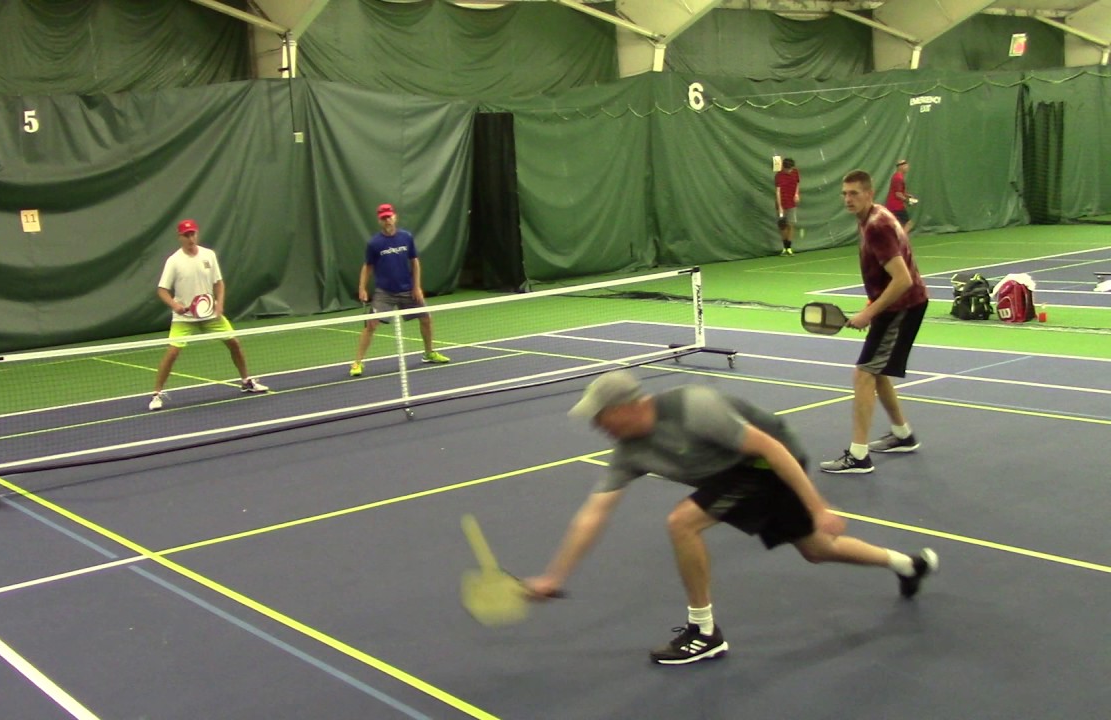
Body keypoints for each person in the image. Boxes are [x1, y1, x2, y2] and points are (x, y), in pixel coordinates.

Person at [522, 370, 939, 666]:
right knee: (817, 549)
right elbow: (594, 513)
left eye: (601, 415)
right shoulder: (630, 450)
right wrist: (554, 577)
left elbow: (772, 450)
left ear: (628, 406)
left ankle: (703, 633)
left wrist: (817, 506)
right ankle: (908, 564)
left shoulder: (693, 408)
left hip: (766, 463)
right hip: (731, 473)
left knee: (682, 522)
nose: (597, 425)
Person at [820, 170, 929, 474]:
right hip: (896, 305)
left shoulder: (877, 226)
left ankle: (858, 456)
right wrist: (873, 305)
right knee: (876, 372)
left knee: (863, 373)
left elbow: (903, 279)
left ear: (869, 194)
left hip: (903, 306)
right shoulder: (874, 217)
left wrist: (870, 313)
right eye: (844, 194)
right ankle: (902, 435)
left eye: (854, 193)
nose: (847, 199)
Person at [148, 219, 267, 411]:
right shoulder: (174, 261)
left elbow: (219, 283)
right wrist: (175, 305)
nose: (190, 238)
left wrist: (219, 304)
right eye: (186, 235)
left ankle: (246, 381)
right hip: (184, 318)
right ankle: (156, 394)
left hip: (211, 314)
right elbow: (162, 290)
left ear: (197, 234)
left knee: (234, 343)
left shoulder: (208, 255)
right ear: (180, 237)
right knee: (172, 352)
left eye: (193, 234)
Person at [349, 203, 450, 376]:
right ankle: (357, 363)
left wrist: (417, 286)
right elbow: (367, 266)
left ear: (395, 217)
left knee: (426, 318)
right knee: (371, 324)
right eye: (383, 218)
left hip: (408, 290)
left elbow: (415, 261)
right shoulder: (374, 243)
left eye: (389, 216)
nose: (387, 220)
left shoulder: (406, 237)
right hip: (385, 293)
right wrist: (362, 288)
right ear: (379, 221)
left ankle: (429, 353)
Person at [774, 157, 800, 255]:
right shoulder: (779, 176)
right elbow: (778, 192)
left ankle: (789, 247)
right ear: (784, 168)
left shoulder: (795, 172)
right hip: (781, 203)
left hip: (792, 203)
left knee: (791, 224)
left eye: (791, 168)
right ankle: (785, 247)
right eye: (788, 169)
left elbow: (797, 183)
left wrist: (796, 194)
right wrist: (780, 206)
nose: (790, 170)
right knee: (782, 225)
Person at [885, 160, 917, 234]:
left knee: (896, 225)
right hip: (896, 206)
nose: (907, 167)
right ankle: (901, 239)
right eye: (905, 165)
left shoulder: (898, 176)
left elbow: (899, 191)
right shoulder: (898, 178)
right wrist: (908, 201)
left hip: (894, 206)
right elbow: (898, 194)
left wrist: (907, 195)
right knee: (908, 224)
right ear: (900, 167)